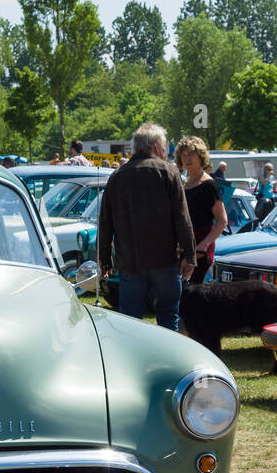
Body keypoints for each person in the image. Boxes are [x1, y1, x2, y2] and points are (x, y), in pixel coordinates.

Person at [96, 122, 195, 331]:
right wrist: (189, 255)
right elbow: (182, 218)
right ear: (156, 147)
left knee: (130, 321)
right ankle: (168, 360)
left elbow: (105, 222)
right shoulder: (169, 172)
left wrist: (104, 259)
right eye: (165, 146)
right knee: (168, 315)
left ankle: (132, 361)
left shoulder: (117, 177)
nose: (165, 151)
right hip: (165, 260)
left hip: (130, 261)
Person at [175, 136, 228, 285]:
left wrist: (203, 246)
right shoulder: (183, 184)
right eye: (183, 155)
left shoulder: (209, 185)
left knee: (194, 298)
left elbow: (222, 221)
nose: (187, 159)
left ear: (200, 156)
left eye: (191, 154)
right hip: (184, 248)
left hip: (200, 251)